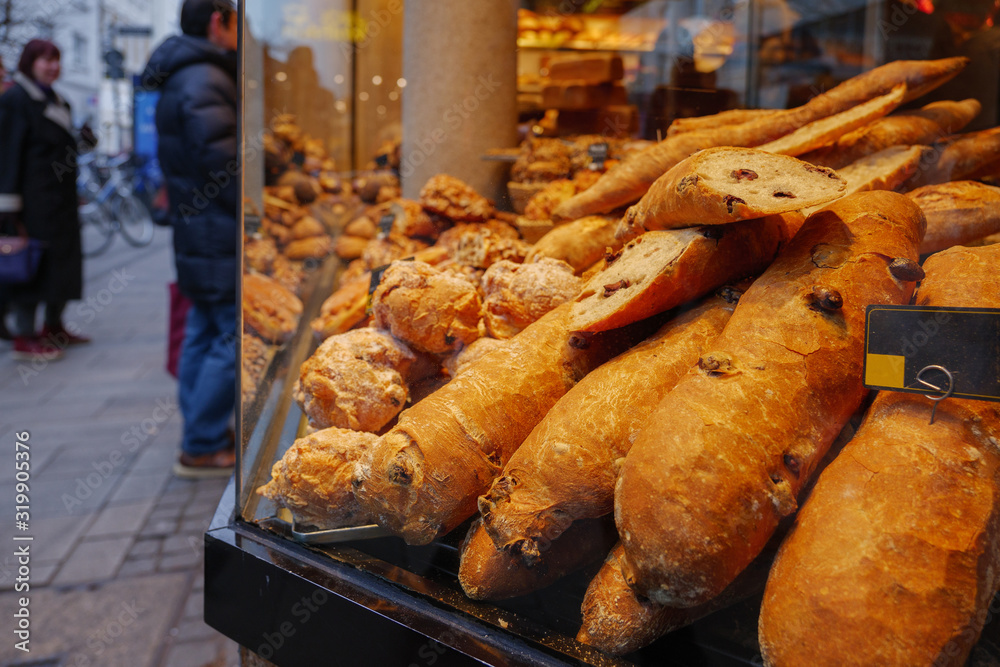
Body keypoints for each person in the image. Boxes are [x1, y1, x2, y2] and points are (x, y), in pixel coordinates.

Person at [143, 0, 239, 478]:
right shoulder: (205, 77)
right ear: (219, 22)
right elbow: (222, 163)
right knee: (229, 335)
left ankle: (201, 432)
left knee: (203, 330)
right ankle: (201, 443)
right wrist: (256, 197)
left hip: (197, 229)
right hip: (217, 231)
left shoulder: (186, 75)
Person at [0, 39, 90, 361]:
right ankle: (24, 336)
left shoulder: (58, 100)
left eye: (57, 60)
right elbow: (8, 153)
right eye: (45, 60)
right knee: (31, 266)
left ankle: (54, 326)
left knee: (61, 264)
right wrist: (8, 207)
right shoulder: (16, 100)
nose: (53, 66)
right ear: (29, 62)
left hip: (60, 202)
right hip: (32, 201)